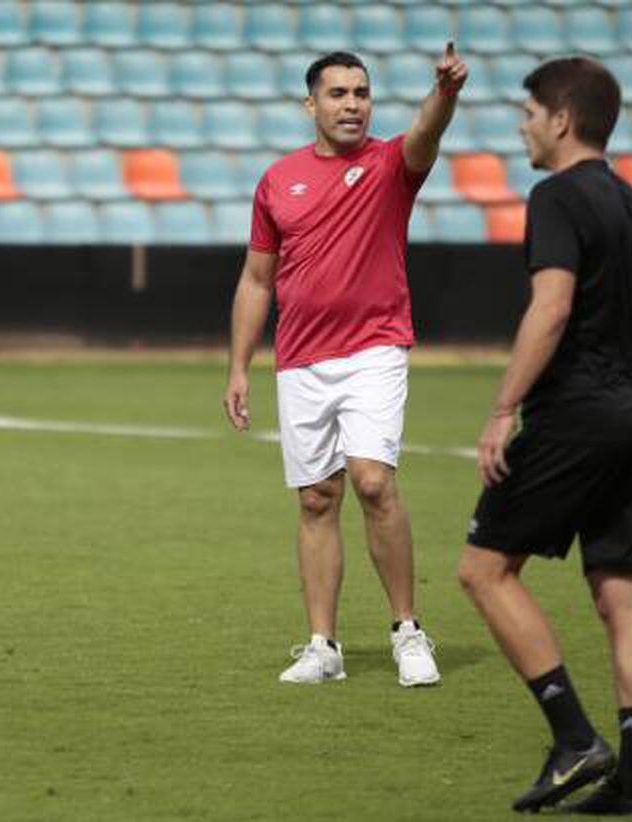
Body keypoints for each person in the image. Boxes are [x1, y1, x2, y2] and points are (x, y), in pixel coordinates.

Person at [455, 57, 632, 814]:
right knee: (621, 589)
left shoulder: (555, 197)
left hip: (579, 413)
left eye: (529, 111)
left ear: (562, 119)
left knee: (484, 570)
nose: (522, 124)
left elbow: (551, 307)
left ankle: (574, 737)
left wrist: (503, 408)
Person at [223, 46, 466, 687]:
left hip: (374, 349)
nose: (352, 104)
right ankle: (322, 647)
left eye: (361, 92)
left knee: (372, 481)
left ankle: (407, 632)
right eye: (338, 93)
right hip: (300, 358)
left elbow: (426, 132)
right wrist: (239, 367)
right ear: (312, 104)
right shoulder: (278, 180)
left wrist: (444, 94)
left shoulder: (392, 164)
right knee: (315, 499)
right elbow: (255, 280)